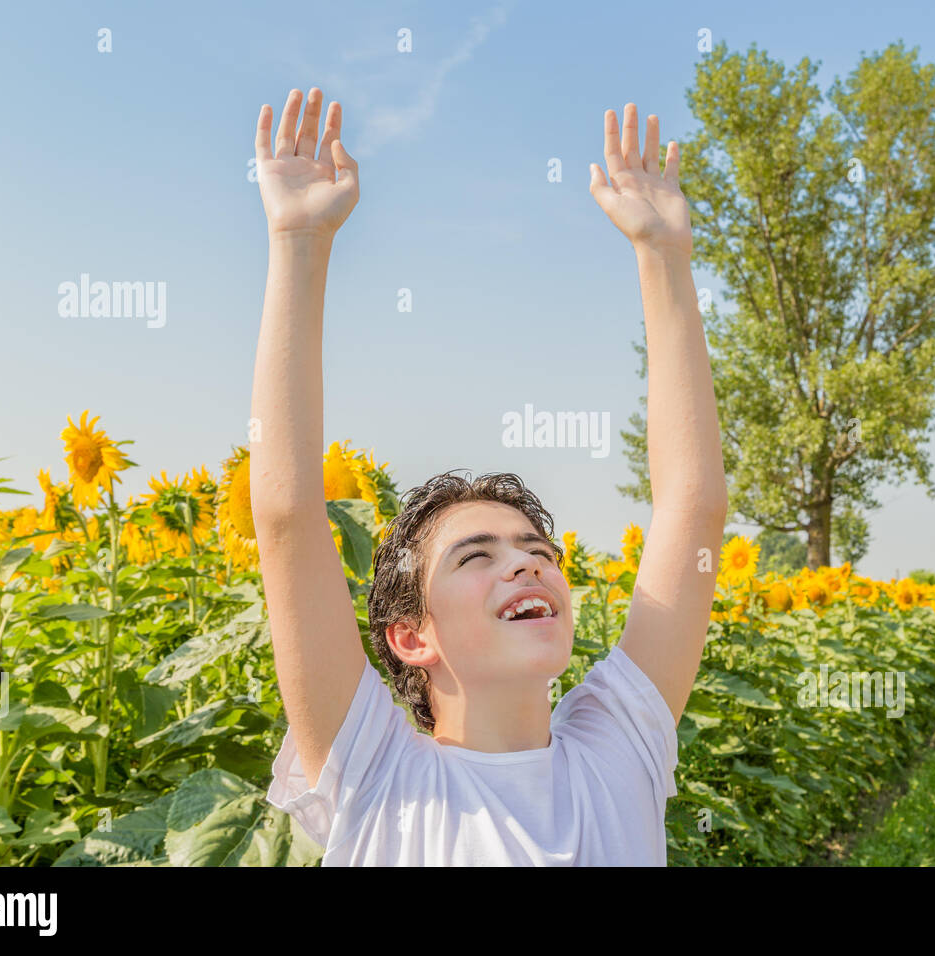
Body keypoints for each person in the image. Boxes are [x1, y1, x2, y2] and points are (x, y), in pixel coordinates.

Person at [249, 87, 727, 865]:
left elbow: (694, 507)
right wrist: (298, 240)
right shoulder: (377, 774)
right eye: (477, 555)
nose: (528, 560)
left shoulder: (619, 751)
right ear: (411, 637)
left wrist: (665, 258)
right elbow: (286, 514)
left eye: (535, 547)